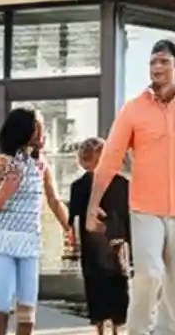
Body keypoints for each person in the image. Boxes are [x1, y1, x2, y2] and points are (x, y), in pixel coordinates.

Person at [88, 38, 175, 335]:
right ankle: (138, 331)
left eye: (164, 62)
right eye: (152, 62)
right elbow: (110, 158)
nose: (157, 68)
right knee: (149, 274)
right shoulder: (133, 109)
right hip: (146, 208)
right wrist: (93, 204)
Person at [0, 107, 72, 335]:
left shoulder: (42, 165)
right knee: (3, 298)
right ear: (24, 131)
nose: (42, 133)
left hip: (29, 239)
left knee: (28, 300)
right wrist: (4, 190)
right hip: (3, 238)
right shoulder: (3, 162)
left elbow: (54, 201)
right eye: (37, 127)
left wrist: (69, 228)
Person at [69, 137, 131, 334]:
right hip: (106, 246)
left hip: (101, 246)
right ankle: (111, 328)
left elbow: (74, 219)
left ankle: (106, 328)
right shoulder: (121, 183)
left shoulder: (80, 185)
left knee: (103, 286)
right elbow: (128, 217)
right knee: (111, 285)